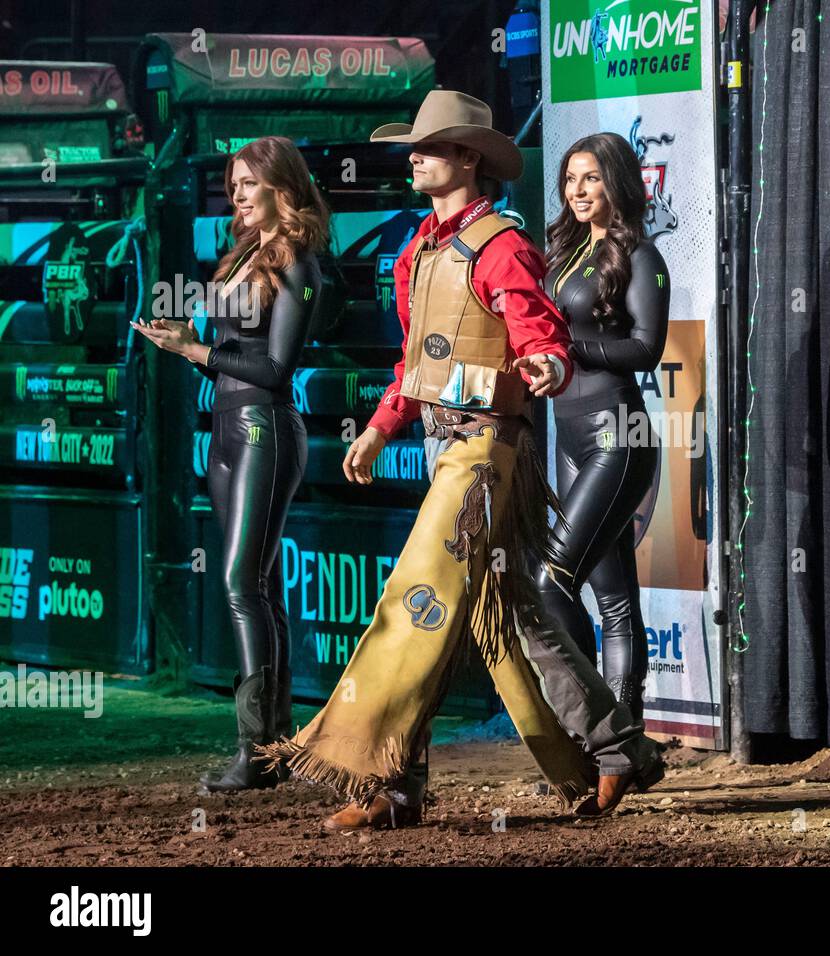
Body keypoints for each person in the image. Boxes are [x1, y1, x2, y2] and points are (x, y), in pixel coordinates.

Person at [257, 91, 663, 828]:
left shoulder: (503, 245)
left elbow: (537, 332)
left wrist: (547, 363)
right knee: (506, 620)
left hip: (485, 452)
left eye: (430, 147)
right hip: (453, 447)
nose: (413, 157)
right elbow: (415, 364)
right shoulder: (421, 250)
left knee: (415, 600)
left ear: (468, 159)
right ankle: (610, 751)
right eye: (413, 147)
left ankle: (382, 778)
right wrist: (382, 428)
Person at [134, 135, 323, 793]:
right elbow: (219, 342)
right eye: (232, 183)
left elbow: (276, 369)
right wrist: (180, 339)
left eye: (248, 183)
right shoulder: (241, 255)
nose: (236, 194)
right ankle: (277, 748)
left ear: (282, 187)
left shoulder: (299, 264)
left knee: (242, 583)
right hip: (223, 435)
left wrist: (195, 352)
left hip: (265, 429)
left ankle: (256, 749)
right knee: (260, 587)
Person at [536, 132, 670, 722]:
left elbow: (647, 348)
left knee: (549, 582)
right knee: (613, 598)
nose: (578, 190)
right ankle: (621, 737)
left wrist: (570, 346)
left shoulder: (641, 256)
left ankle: (599, 729)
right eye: (570, 179)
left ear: (615, 182)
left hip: (617, 434)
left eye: (590, 178)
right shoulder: (562, 254)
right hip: (567, 434)